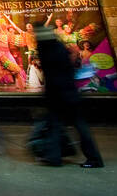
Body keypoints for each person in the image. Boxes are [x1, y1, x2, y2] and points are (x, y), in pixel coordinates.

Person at [36, 24, 104, 168]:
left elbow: (52, 73)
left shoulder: (46, 49)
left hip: (59, 94)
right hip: (68, 92)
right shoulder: (58, 47)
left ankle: (58, 157)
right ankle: (56, 157)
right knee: (72, 126)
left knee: (64, 125)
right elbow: (68, 68)